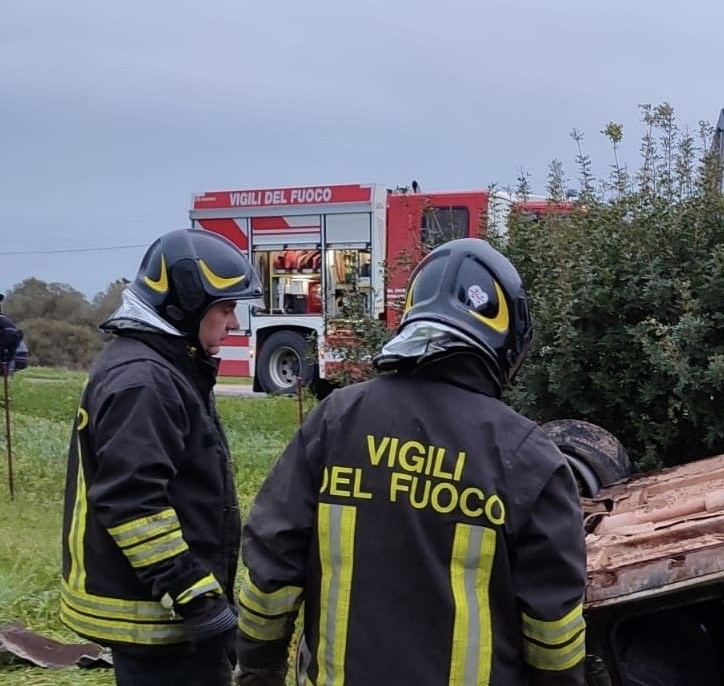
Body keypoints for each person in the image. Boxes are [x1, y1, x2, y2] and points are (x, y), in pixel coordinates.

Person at [236, 238, 588, 686]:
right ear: (506, 340)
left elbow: (270, 572)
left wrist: (258, 669)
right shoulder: (528, 457)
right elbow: (552, 629)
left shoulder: (337, 421)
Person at [58, 228, 263, 686]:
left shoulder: (163, 365)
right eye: (225, 309)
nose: (232, 324)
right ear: (186, 305)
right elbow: (133, 503)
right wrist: (195, 597)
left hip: (161, 609)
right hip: (160, 615)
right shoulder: (144, 380)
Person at [0, 292, 23, 376]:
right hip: (16, 336)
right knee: (9, 359)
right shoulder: (5, 318)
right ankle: (7, 375)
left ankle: (5, 373)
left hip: (7, 335)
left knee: (5, 358)